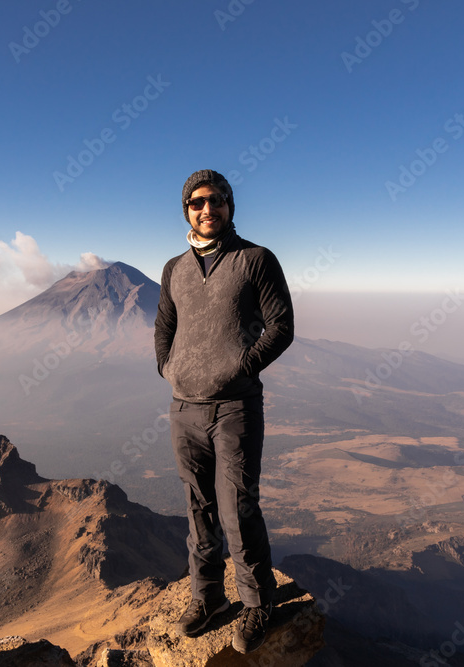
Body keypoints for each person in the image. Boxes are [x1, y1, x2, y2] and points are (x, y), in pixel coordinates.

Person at [154, 169, 295, 654]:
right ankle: (208, 597)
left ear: (231, 206)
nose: (206, 209)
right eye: (196, 202)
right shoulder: (174, 268)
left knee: (237, 507)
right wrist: (167, 369)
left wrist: (241, 367)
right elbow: (163, 327)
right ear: (186, 209)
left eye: (216, 200)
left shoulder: (256, 259)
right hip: (184, 408)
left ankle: (258, 603)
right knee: (198, 508)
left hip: (235, 407)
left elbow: (281, 326)